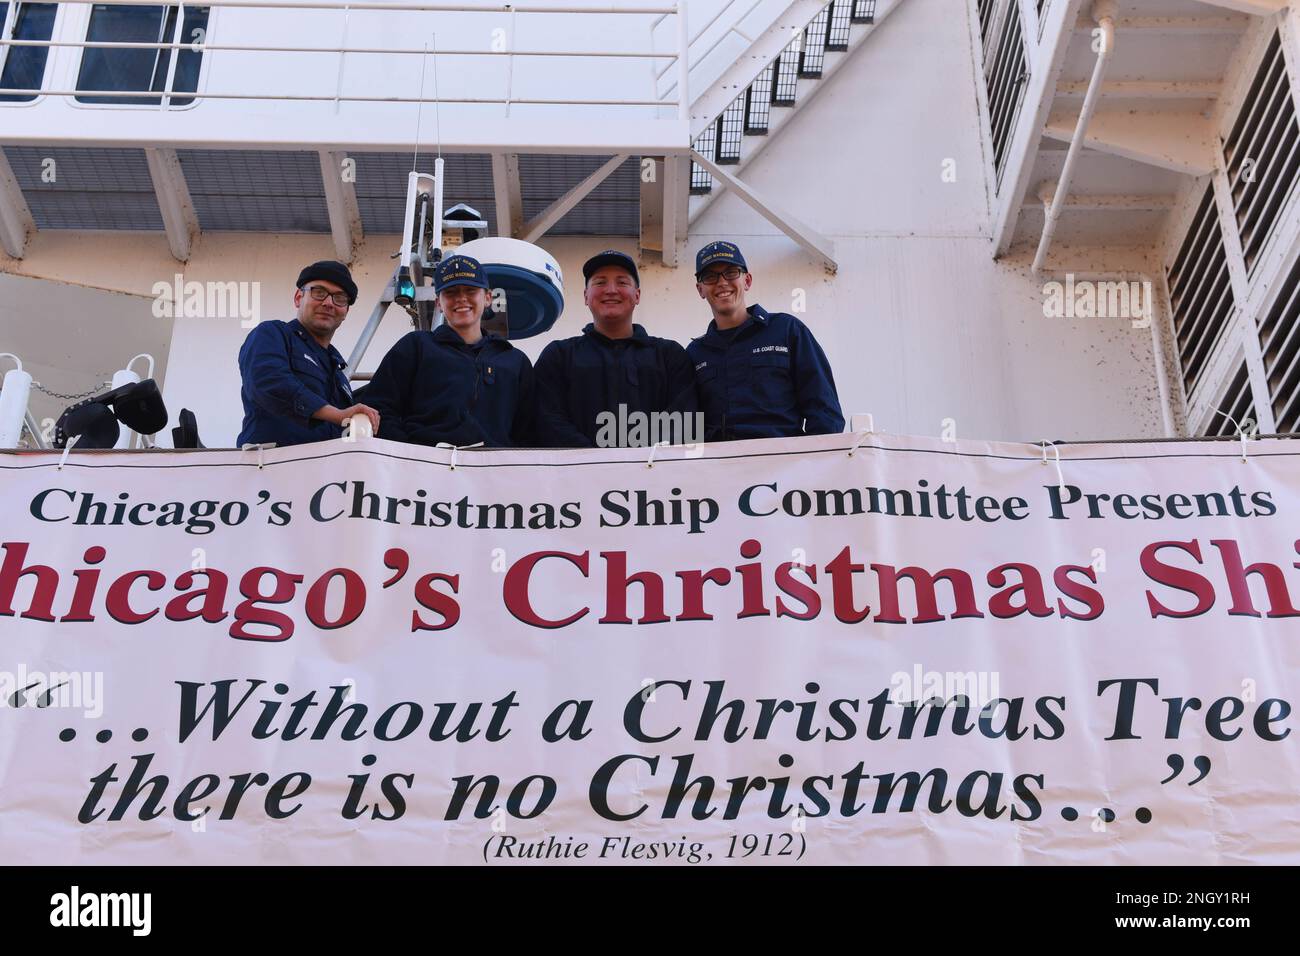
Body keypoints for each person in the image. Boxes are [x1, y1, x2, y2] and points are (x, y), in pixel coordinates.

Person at [362, 255, 535, 447]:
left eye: (470, 290)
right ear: (438, 303)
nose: (461, 298)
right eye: (450, 292)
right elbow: (380, 407)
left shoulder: (514, 361)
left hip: (493, 471)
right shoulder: (415, 347)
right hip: (423, 467)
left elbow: (528, 428)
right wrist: (408, 453)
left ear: (487, 298)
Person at [534, 249, 697, 447]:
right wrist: (597, 461)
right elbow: (547, 420)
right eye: (600, 282)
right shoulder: (558, 357)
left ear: (637, 295)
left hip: (653, 473)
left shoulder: (670, 356)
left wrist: (638, 460)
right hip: (578, 474)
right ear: (586, 296)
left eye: (622, 282)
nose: (611, 290)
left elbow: (684, 421)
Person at [687, 241, 844, 440]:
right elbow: (690, 427)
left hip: (783, 464)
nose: (722, 282)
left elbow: (824, 411)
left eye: (731, 272)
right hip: (721, 467)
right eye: (710, 276)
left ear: (747, 281)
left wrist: (811, 463)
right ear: (700, 289)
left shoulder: (787, 331)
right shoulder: (695, 353)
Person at [236, 260, 378, 447]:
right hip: (270, 465)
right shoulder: (273, 333)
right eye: (319, 293)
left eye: (340, 298)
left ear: (345, 311)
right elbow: (268, 381)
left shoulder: (338, 373)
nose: (328, 303)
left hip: (326, 472)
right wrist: (338, 415)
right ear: (298, 298)